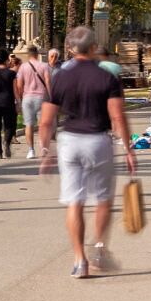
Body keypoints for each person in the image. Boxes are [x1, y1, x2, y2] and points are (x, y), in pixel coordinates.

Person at [38, 26, 136, 279]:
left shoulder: (60, 77)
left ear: (70, 49)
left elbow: (47, 119)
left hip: (69, 141)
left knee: (74, 201)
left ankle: (79, 259)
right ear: (93, 48)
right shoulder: (106, 77)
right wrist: (128, 149)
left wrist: (45, 149)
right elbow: (117, 116)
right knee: (103, 199)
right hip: (98, 141)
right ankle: (100, 248)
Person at [16, 45, 52, 159]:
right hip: (41, 97)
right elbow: (48, 82)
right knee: (43, 125)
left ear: (28, 55)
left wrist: (20, 98)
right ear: (37, 54)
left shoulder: (23, 67)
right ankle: (43, 148)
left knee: (29, 125)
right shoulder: (44, 66)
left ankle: (31, 150)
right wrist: (51, 97)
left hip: (27, 98)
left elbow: (19, 85)